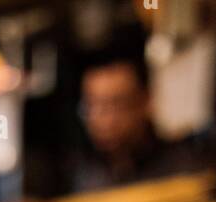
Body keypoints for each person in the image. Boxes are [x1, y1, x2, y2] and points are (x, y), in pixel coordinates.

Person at [73, 37, 205, 193]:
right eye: (93, 106)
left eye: (116, 105)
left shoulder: (185, 170)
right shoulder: (86, 175)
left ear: (146, 102)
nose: (105, 121)